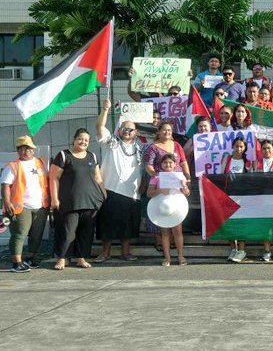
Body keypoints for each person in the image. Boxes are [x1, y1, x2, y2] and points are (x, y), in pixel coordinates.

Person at [93, 99, 144, 263]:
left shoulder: (141, 148)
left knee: (127, 225)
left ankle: (126, 252)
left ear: (136, 132)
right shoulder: (111, 142)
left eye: (130, 129)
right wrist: (105, 110)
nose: (127, 131)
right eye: (124, 128)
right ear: (120, 129)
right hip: (110, 189)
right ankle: (105, 253)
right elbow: (100, 127)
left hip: (131, 192)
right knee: (107, 223)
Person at [49, 129, 106, 271]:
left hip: (90, 201)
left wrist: (104, 194)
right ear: (74, 140)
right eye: (80, 139)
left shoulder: (92, 156)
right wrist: (55, 198)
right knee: (67, 232)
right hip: (69, 202)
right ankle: (62, 258)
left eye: (86, 140)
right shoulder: (63, 155)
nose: (83, 142)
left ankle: (81, 258)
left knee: (85, 232)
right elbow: (54, 178)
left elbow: (98, 178)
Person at [1, 135, 50, 272]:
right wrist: (7, 203)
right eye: (22, 148)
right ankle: (16, 263)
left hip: (40, 207)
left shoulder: (40, 162)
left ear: (33, 150)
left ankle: (31, 258)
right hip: (21, 208)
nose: (26, 151)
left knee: (36, 234)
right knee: (19, 234)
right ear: (18, 150)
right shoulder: (13, 166)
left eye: (28, 148)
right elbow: (5, 186)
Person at [144, 122, 191, 250]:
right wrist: (157, 177)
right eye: (164, 130)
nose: (167, 132)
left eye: (169, 130)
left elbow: (183, 162)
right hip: (161, 186)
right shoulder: (153, 147)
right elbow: (148, 165)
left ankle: (176, 248)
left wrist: (187, 177)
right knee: (162, 211)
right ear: (158, 132)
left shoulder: (177, 145)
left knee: (176, 214)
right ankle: (163, 246)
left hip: (177, 186)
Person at [147, 154, 190, 267]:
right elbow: (149, 193)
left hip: (176, 207)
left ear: (175, 164)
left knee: (178, 232)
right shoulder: (156, 177)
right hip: (162, 207)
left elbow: (187, 193)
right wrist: (160, 190)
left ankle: (180, 256)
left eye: (170, 162)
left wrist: (184, 186)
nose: (168, 164)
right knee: (165, 233)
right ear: (161, 164)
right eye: (165, 162)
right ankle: (167, 258)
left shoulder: (180, 176)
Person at [223, 138, 251, 263]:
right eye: (236, 146)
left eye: (241, 147)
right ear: (233, 147)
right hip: (228, 196)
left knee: (241, 223)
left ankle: (242, 250)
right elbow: (220, 176)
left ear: (244, 148)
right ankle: (233, 249)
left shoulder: (248, 162)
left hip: (242, 198)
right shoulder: (226, 159)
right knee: (229, 223)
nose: (239, 149)